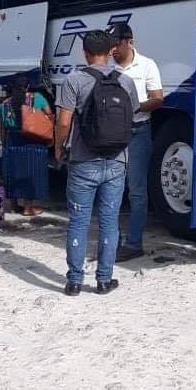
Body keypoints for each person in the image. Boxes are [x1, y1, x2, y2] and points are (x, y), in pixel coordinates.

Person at [54, 30, 139, 296]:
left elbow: (64, 121)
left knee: (78, 221)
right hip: (116, 161)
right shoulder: (125, 81)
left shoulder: (74, 81)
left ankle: (75, 281)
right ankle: (104, 280)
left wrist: (59, 147)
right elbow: (132, 118)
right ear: (110, 51)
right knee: (109, 221)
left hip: (83, 161)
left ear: (85, 52)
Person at [106, 23, 163, 261]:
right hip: (112, 134)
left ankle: (133, 243)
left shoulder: (147, 65)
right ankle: (111, 244)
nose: (113, 51)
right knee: (111, 190)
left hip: (138, 131)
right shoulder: (107, 68)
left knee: (137, 191)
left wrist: (134, 108)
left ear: (129, 41)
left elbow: (157, 98)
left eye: (116, 45)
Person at [0, 74, 53, 216]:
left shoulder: (6, 104)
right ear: (28, 86)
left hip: (13, 140)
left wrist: (4, 144)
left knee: (13, 171)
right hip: (33, 140)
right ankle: (28, 208)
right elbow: (49, 114)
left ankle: (13, 205)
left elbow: (3, 128)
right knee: (30, 172)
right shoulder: (38, 98)